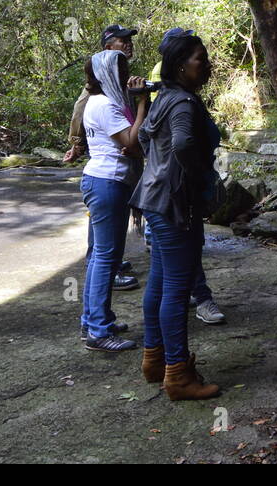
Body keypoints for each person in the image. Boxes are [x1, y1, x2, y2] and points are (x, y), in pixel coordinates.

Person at [131, 28, 223, 399]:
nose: (207, 64)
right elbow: (184, 143)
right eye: (200, 58)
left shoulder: (163, 97)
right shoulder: (183, 102)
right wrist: (201, 177)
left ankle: (154, 360)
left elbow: (141, 138)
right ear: (181, 65)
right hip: (174, 204)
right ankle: (179, 375)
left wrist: (163, 166)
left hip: (153, 199)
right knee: (177, 288)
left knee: (160, 281)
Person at [78, 48, 149, 351]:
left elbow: (128, 141)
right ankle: (98, 331)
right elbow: (132, 144)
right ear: (105, 75)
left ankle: (94, 319)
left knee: (99, 256)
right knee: (106, 258)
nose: (124, 76)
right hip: (108, 182)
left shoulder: (100, 102)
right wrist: (143, 102)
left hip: (102, 180)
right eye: (120, 72)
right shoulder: (106, 106)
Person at [66, 24, 140, 291]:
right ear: (109, 48)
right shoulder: (98, 89)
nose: (129, 45)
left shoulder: (118, 83)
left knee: (107, 224)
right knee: (103, 227)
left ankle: (109, 264)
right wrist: (76, 144)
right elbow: (80, 113)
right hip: (106, 171)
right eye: (123, 42)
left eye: (129, 40)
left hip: (114, 168)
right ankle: (102, 265)